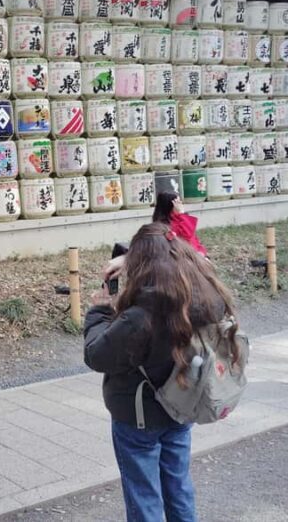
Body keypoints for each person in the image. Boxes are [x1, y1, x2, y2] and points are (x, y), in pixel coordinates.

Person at [84, 222, 239, 522]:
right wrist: (130, 257)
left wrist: (100, 310)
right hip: (182, 406)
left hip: (139, 417)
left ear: (143, 265)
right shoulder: (206, 297)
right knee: (177, 485)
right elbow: (169, 252)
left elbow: (97, 355)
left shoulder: (140, 317)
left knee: (144, 495)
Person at [152, 191, 207, 257]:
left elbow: (194, 239)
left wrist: (201, 251)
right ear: (170, 205)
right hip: (182, 257)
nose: (181, 205)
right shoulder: (164, 225)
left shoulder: (181, 217)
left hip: (195, 253)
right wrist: (181, 213)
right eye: (178, 202)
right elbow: (187, 235)